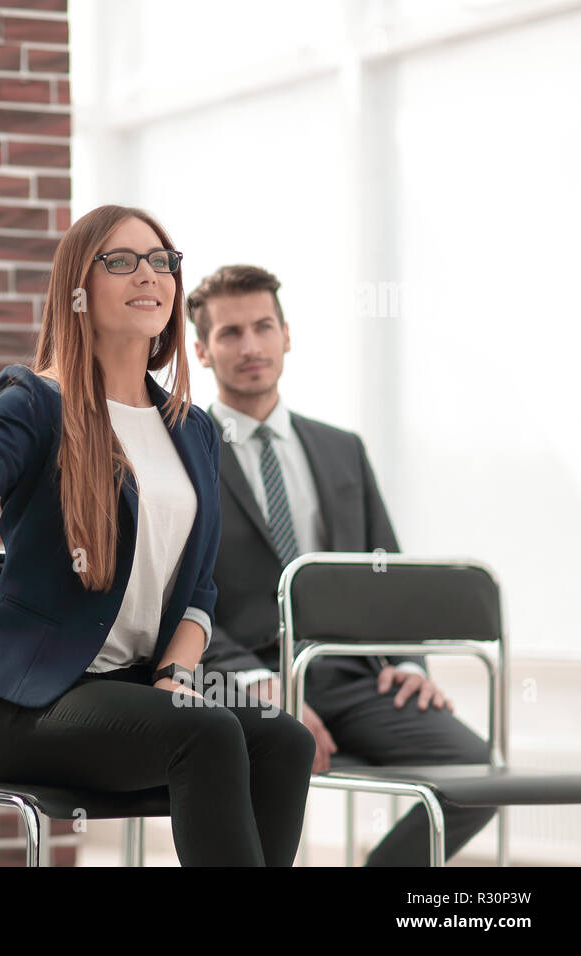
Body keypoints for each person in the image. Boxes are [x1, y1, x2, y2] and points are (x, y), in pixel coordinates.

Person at [0, 208, 317, 867]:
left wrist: (173, 675)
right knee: (209, 734)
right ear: (79, 285)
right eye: (121, 260)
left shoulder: (192, 429)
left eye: (160, 260)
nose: (148, 274)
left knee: (284, 741)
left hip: (135, 694)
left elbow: (200, 591)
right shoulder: (38, 399)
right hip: (26, 704)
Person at [187, 263, 496, 866]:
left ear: (287, 335)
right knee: (258, 780)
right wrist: (260, 684)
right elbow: (174, 593)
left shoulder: (341, 447)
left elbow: (387, 572)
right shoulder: (183, 448)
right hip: (235, 676)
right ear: (201, 350)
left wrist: (408, 660)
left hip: (348, 677)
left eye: (263, 327)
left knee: (477, 776)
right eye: (229, 333)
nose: (251, 346)